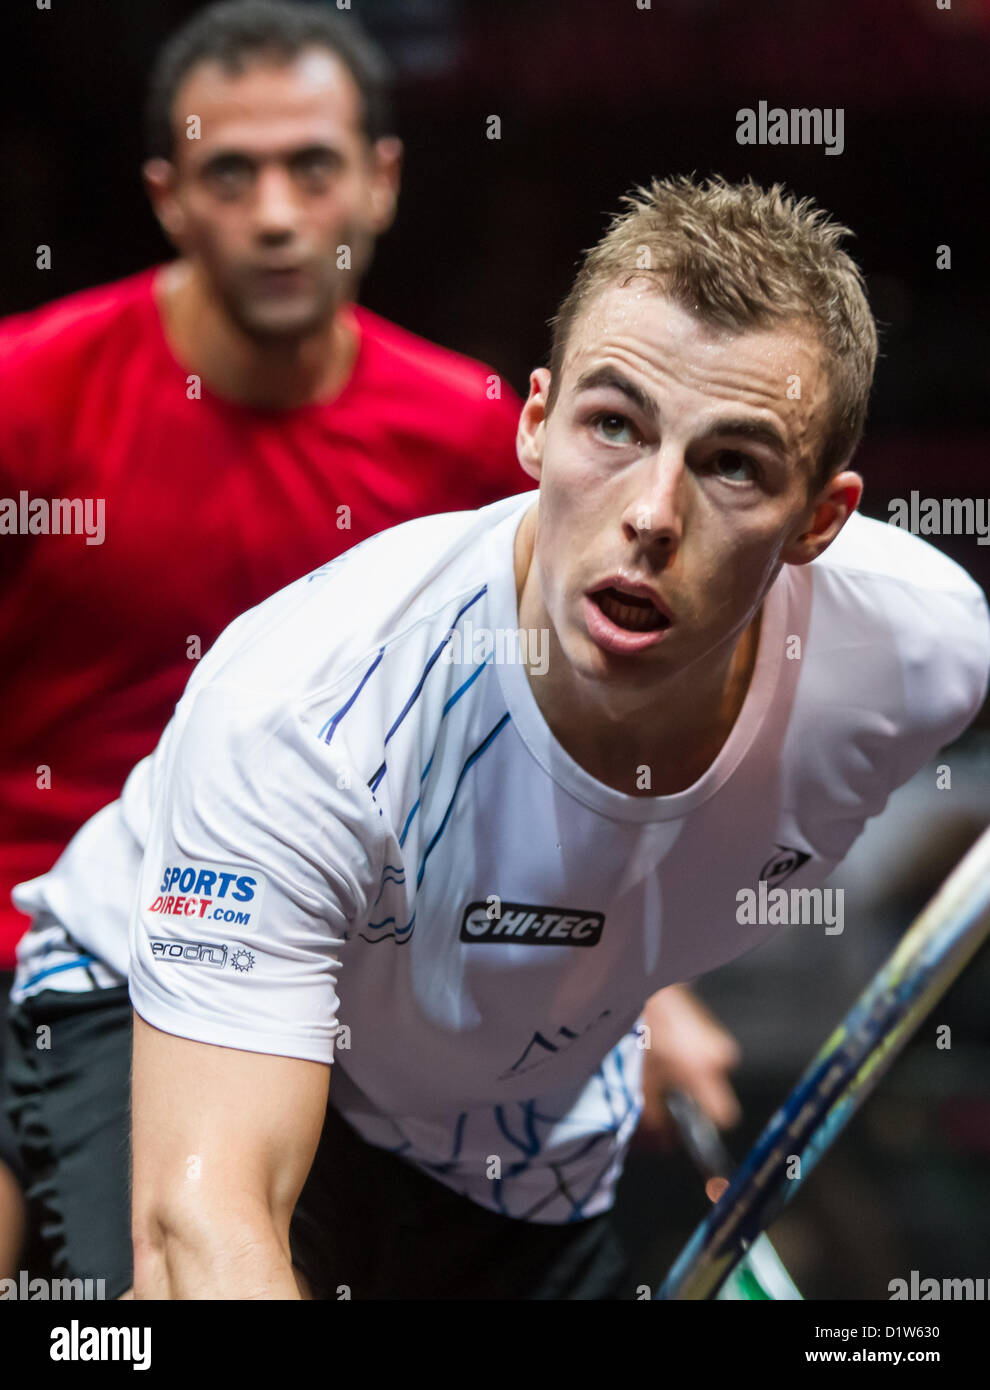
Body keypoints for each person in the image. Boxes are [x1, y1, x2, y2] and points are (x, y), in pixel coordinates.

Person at [12, 173, 987, 1300]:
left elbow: (585, 855)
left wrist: (627, 992)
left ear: (821, 518)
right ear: (535, 424)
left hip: (513, 1113)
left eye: (733, 464)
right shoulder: (316, 710)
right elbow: (205, 1221)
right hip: (165, 1005)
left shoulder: (919, 657)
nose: (652, 514)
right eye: (613, 424)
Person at [0, 0, 529, 1273]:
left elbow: (538, 751)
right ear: (170, 196)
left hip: (319, 965)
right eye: (232, 173)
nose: (279, 213)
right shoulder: (22, 399)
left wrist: (648, 994)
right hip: (28, 929)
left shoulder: (474, 437)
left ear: (381, 183)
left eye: (313, 166)